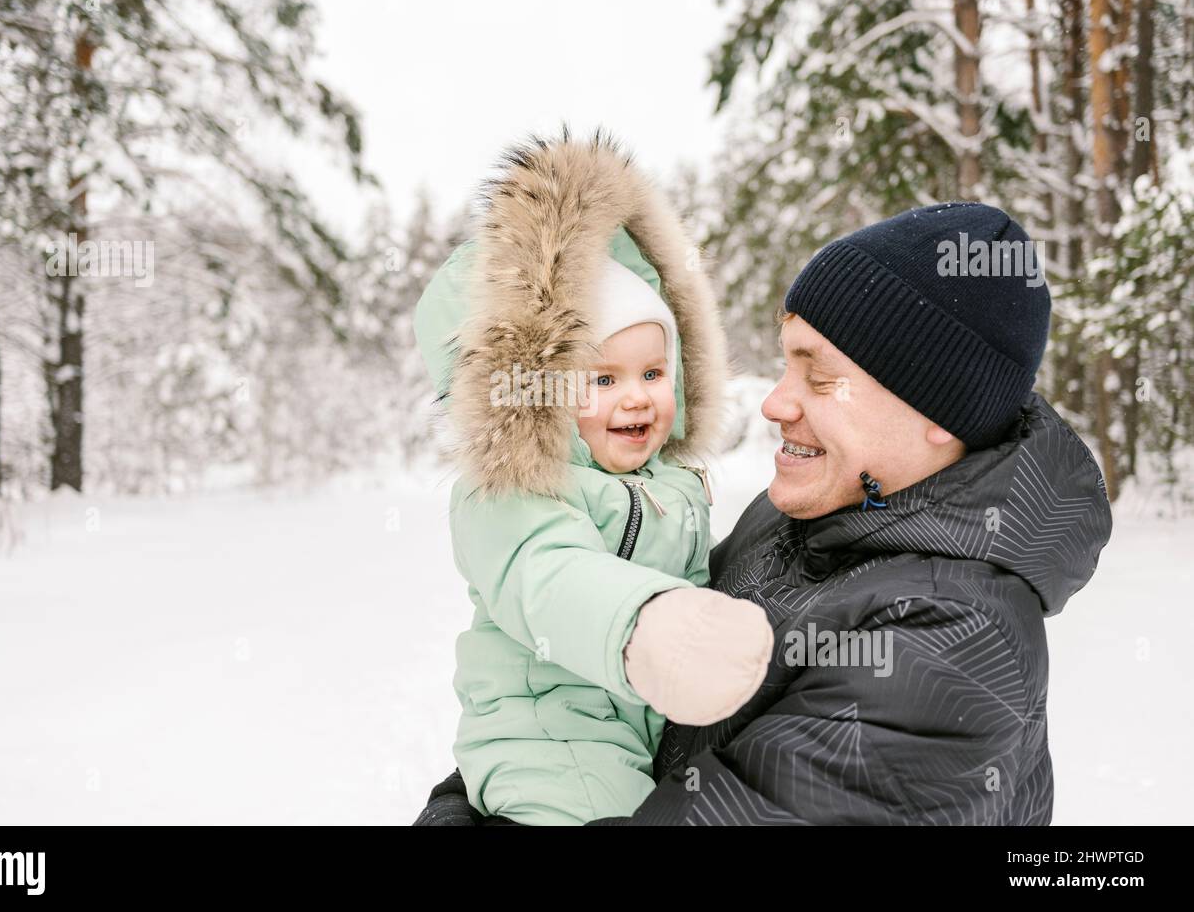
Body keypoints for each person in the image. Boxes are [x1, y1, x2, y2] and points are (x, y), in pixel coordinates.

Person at [418, 199, 1114, 825]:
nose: (774, 404)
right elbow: (582, 689)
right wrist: (475, 792)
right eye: (784, 367)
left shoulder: (949, 647)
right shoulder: (802, 520)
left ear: (936, 409)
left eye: (820, 376)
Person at [411, 131, 773, 825]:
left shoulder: (668, 482)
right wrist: (647, 623)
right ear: (542, 391)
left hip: (632, 734)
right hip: (548, 741)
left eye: (651, 374)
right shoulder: (515, 488)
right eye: (600, 379)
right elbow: (547, 576)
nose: (635, 397)